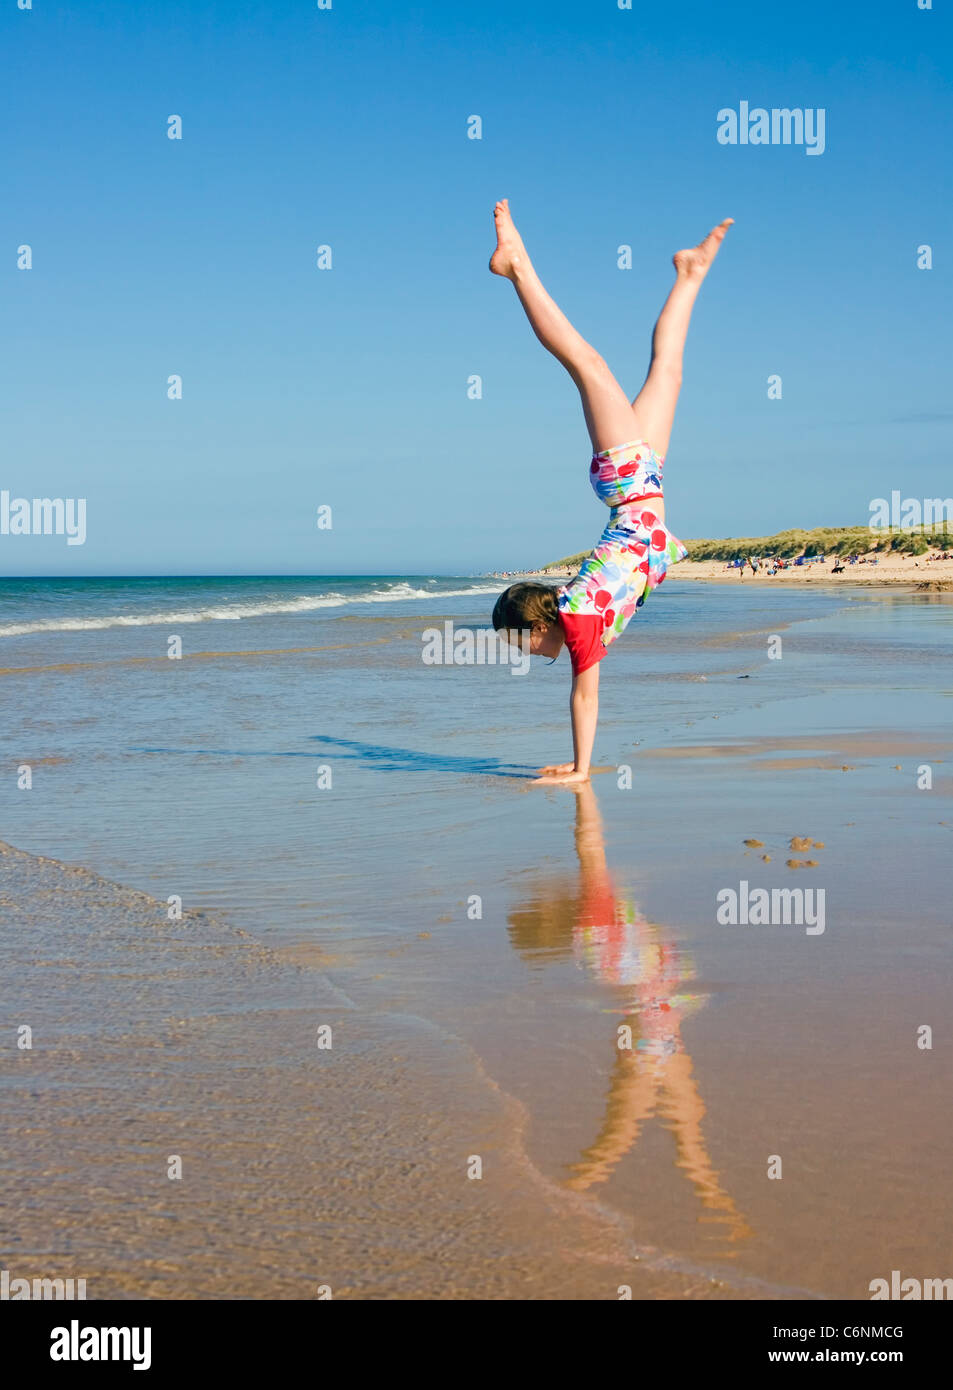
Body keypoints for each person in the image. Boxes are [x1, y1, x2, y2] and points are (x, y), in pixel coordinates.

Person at [488, 199, 732, 784]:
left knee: (588, 364)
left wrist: (579, 769)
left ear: (533, 627)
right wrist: (579, 765)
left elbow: (585, 700)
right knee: (667, 370)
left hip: (628, 483)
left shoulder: (576, 621)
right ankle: (690, 273)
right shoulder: (578, 623)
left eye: (515, 645)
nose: (519, 655)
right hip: (644, 481)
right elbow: (584, 696)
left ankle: (517, 267)